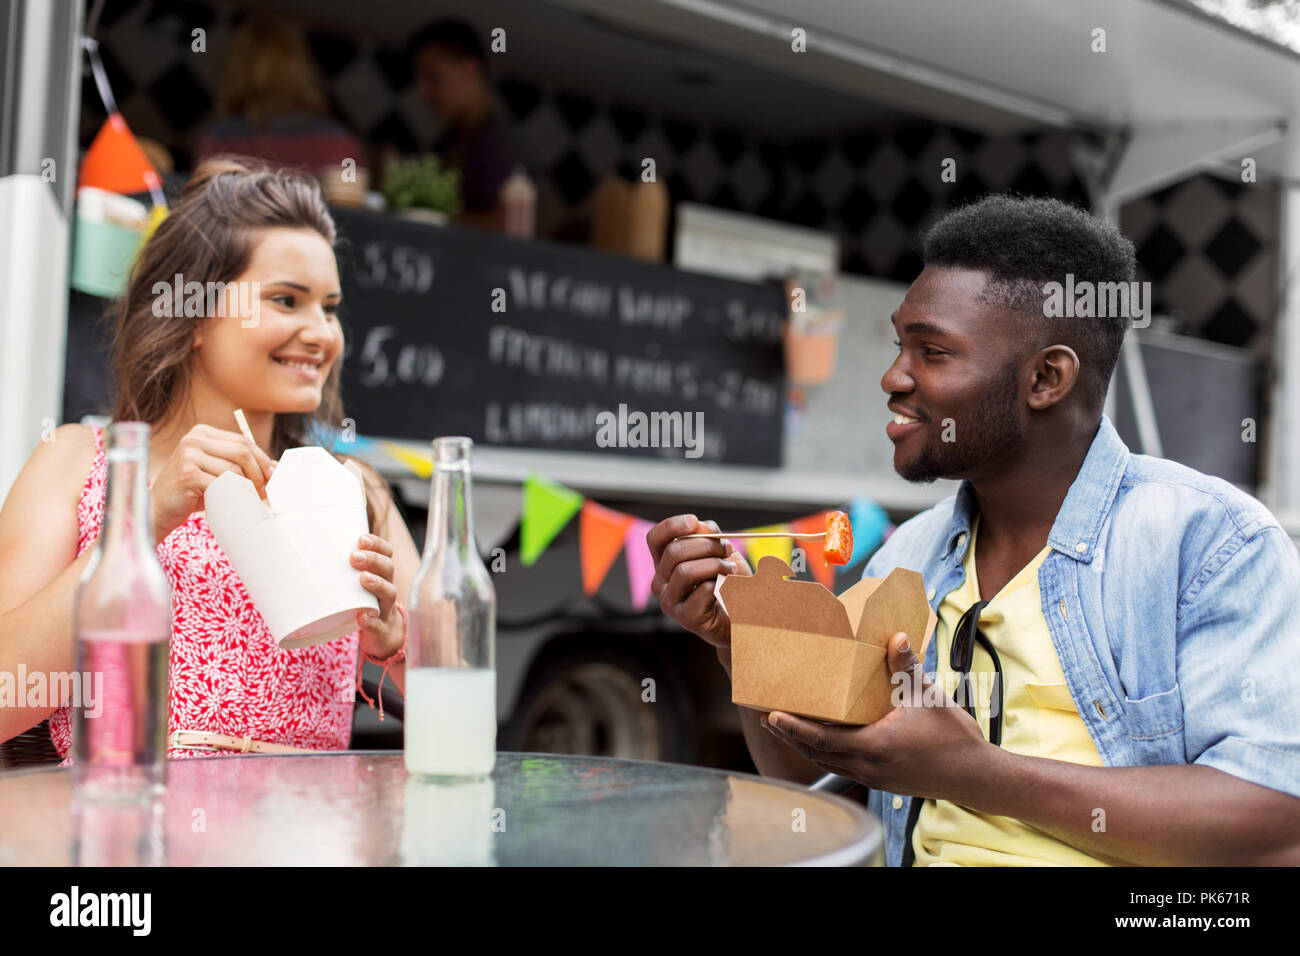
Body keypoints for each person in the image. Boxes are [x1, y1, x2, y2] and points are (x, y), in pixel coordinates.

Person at [648, 194, 1300, 866]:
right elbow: (815, 785)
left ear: (1046, 378)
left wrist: (977, 774)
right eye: (900, 345)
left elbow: (1276, 821)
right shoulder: (909, 556)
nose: (893, 377)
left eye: (931, 351)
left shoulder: (1207, 543)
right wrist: (742, 645)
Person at [0, 158, 421, 759]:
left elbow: (466, 727)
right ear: (194, 313)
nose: (322, 333)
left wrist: (393, 647)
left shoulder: (354, 489)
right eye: (286, 300)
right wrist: (142, 524)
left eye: (328, 307)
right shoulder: (78, 462)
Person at [194, 15, 364, 182]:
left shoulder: (222, 139)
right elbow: (350, 203)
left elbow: (203, 201)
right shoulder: (337, 140)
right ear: (304, 72)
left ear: (235, 72)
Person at [408, 18, 527, 231]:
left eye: (434, 77)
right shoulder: (448, 143)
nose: (424, 92)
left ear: (470, 69)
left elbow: (508, 226)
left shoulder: (499, 141)